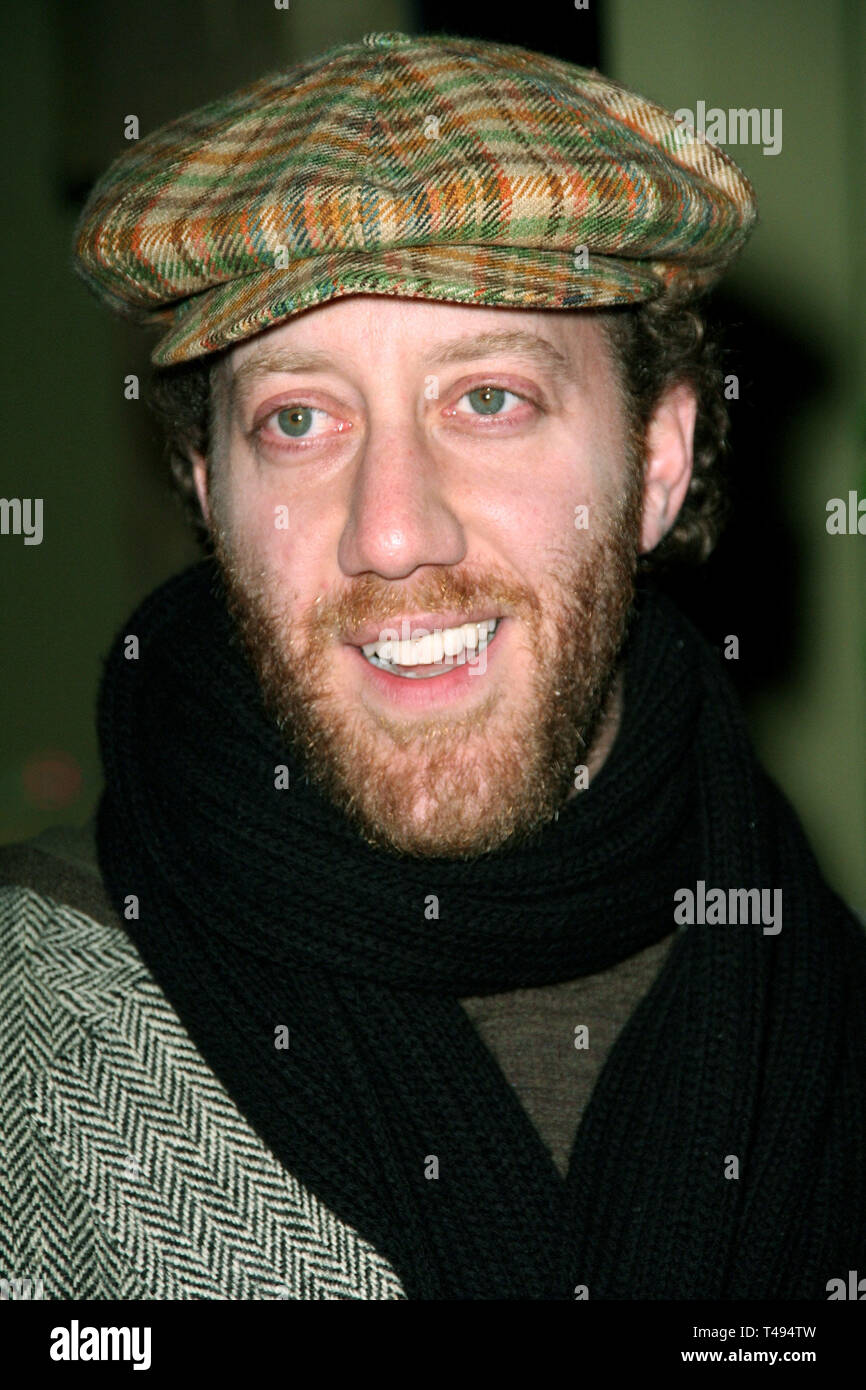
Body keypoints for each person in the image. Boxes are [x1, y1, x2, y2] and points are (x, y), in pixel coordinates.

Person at [1, 30, 864, 1302]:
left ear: (656, 462)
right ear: (205, 485)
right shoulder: (33, 1025)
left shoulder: (823, 1007)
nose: (392, 530)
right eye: (298, 419)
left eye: (489, 399)